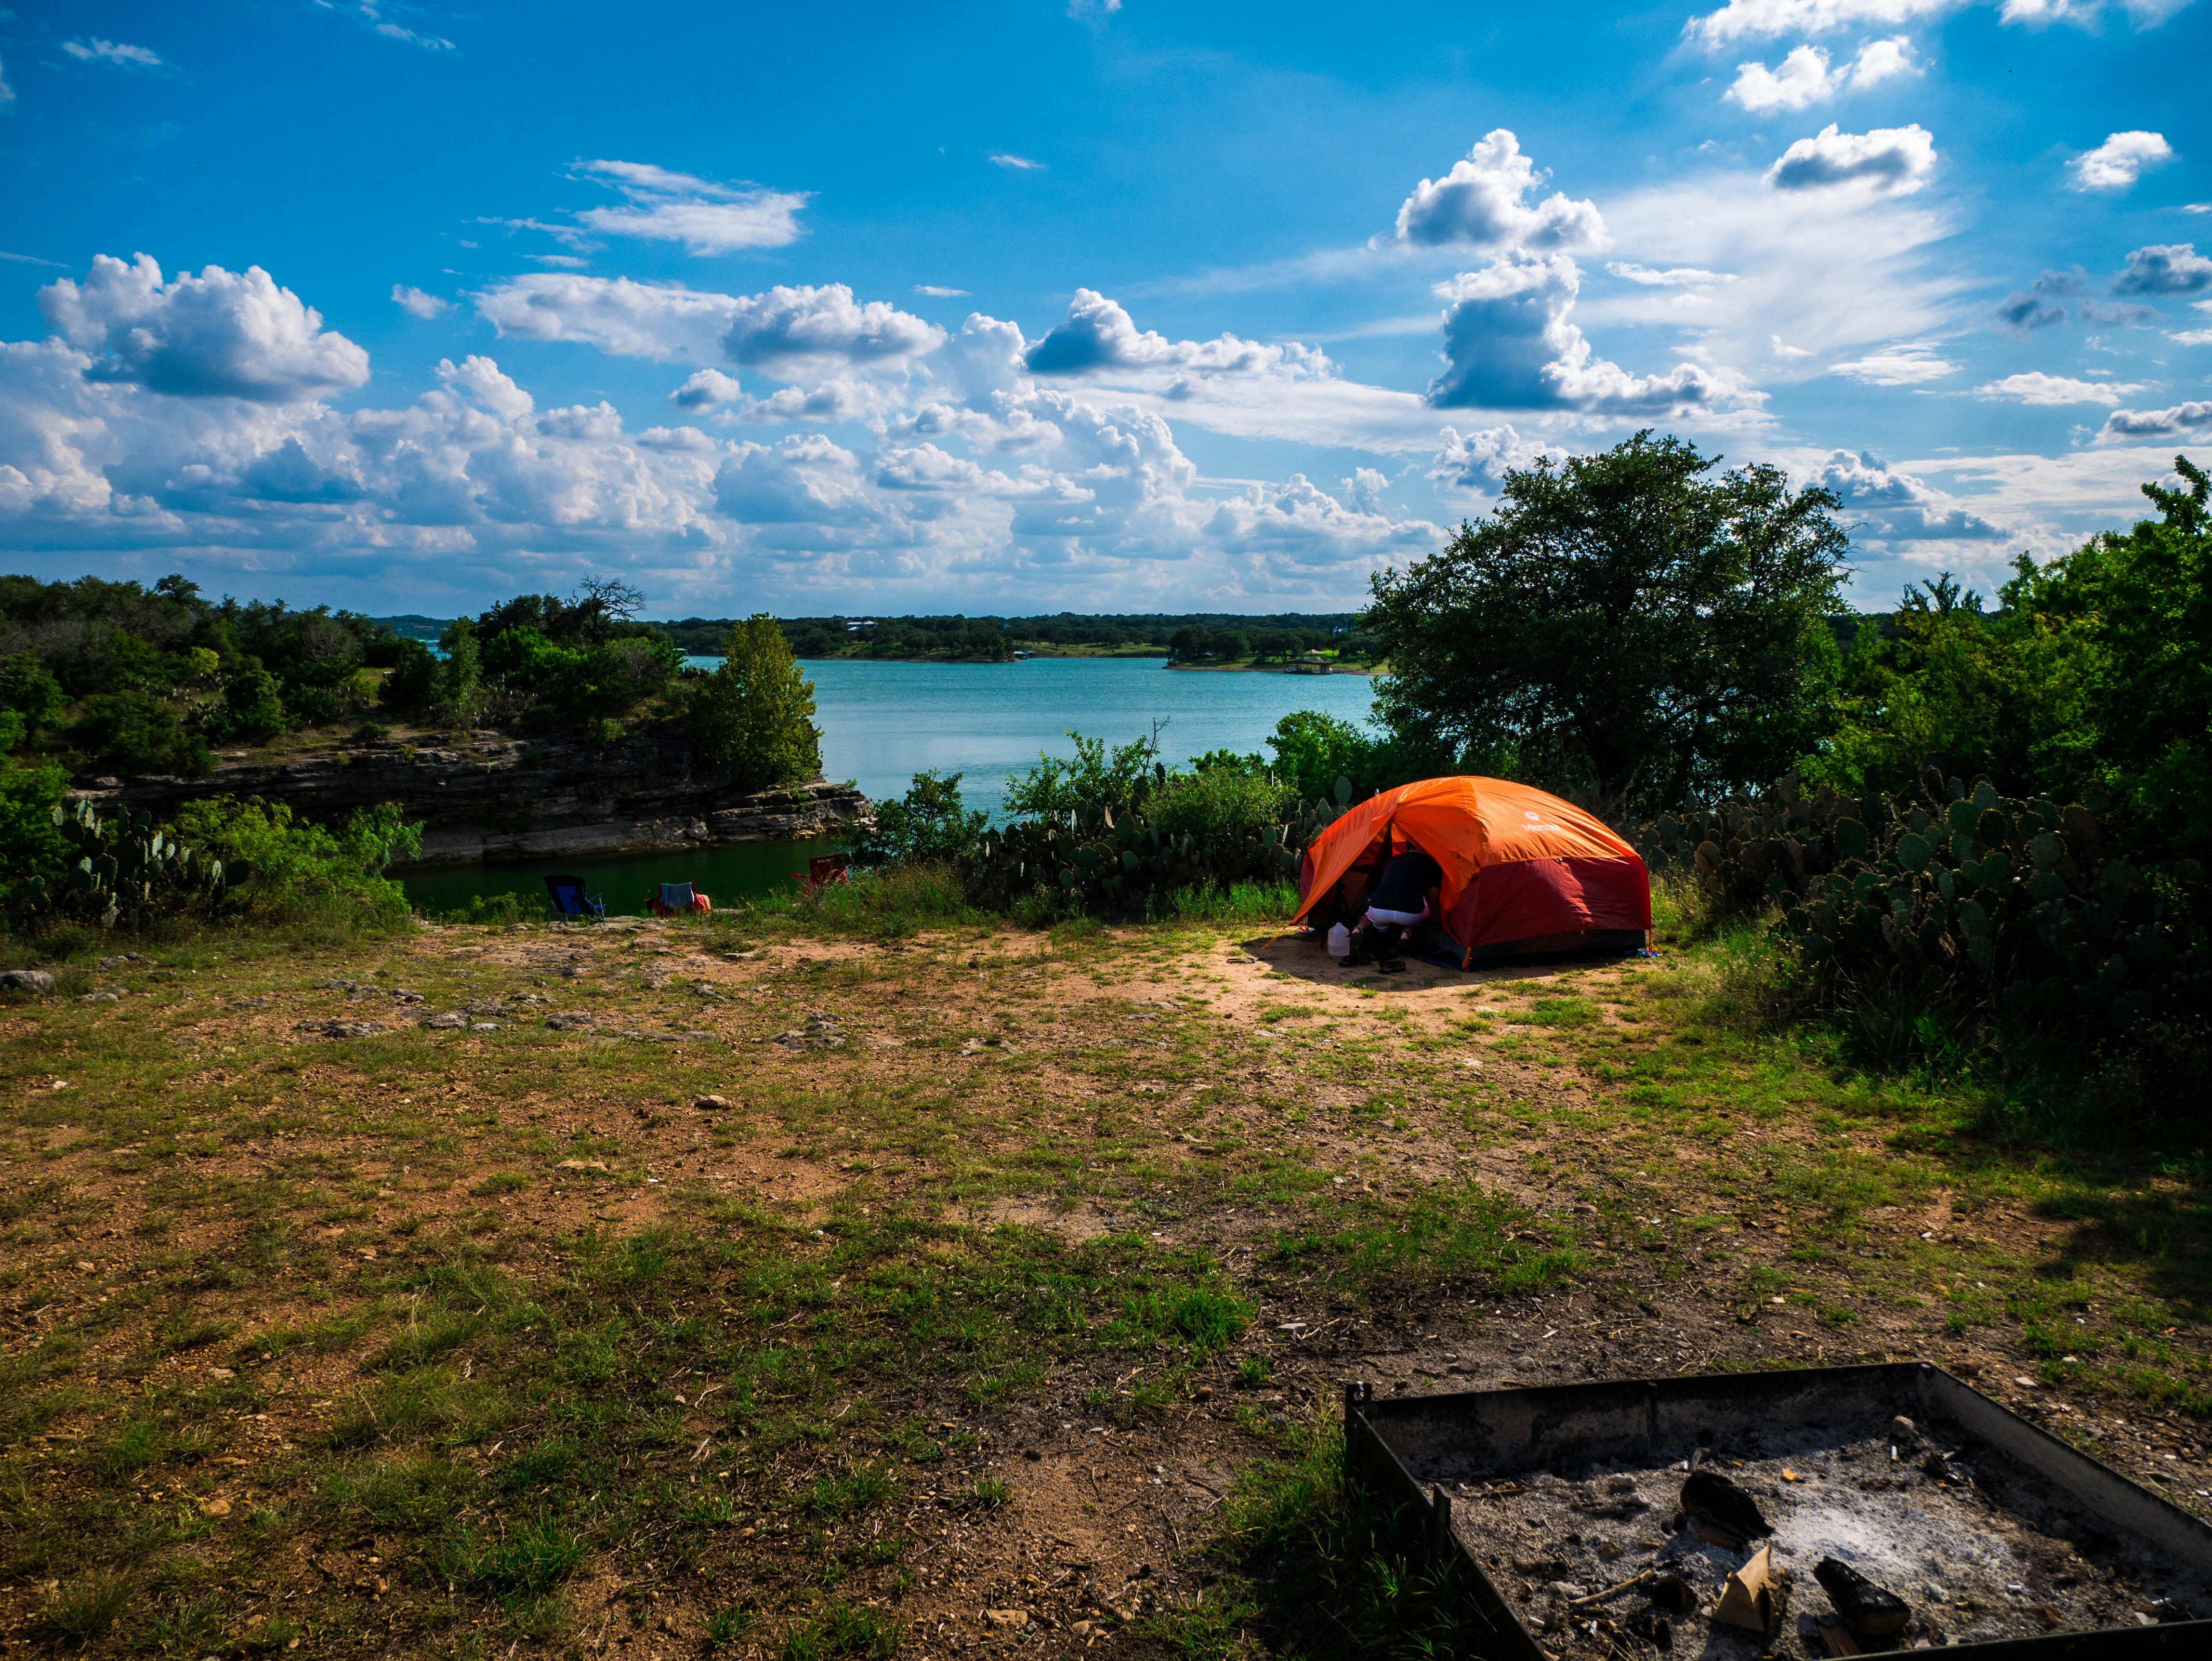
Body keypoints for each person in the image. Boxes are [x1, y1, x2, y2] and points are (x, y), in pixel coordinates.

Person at [1343, 846, 1442, 968]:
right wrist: (1436, 920)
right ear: (1423, 845)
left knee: (1368, 917)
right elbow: (1434, 896)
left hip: (1380, 910)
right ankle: (1407, 933)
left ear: (1406, 847)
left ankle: (1358, 930)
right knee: (1429, 913)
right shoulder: (1431, 862)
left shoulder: (1392, 861)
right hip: (1411, 914)